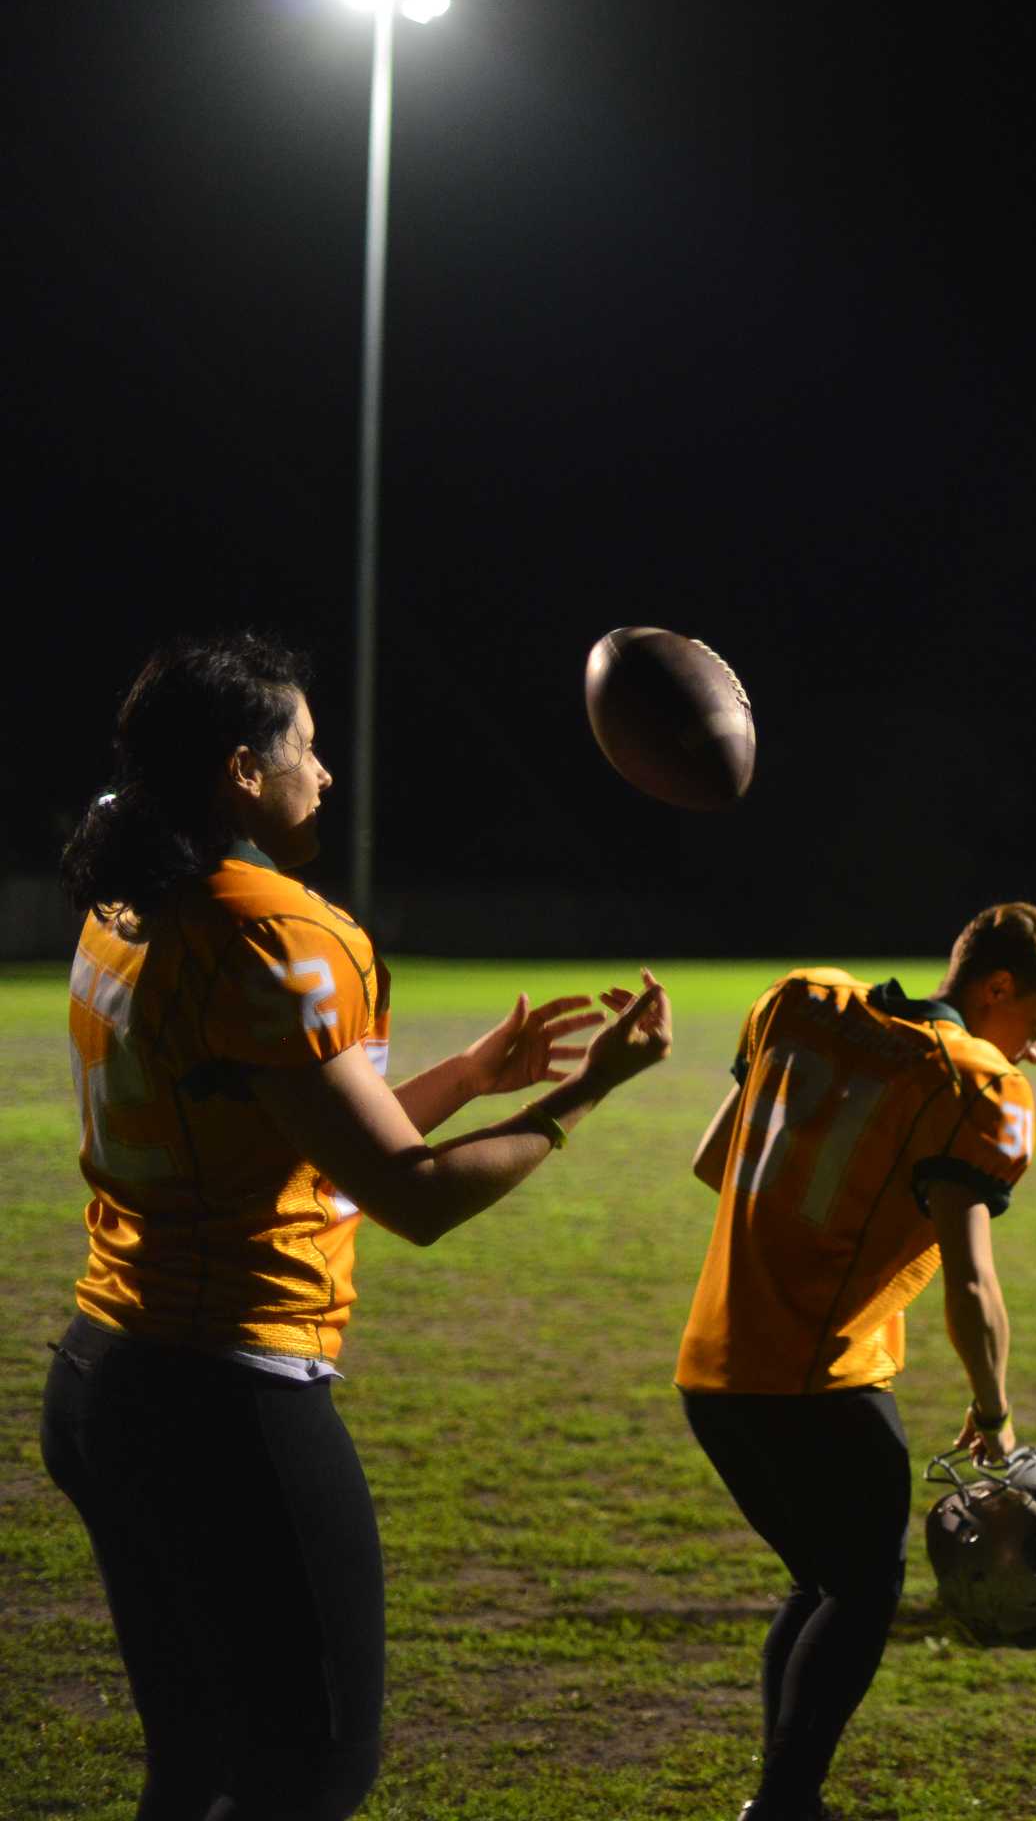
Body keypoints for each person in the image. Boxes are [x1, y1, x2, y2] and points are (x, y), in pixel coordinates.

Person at [43, 633, 672, 1821]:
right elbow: (414, 1196)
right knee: (311, 1765)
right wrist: (584, 1095)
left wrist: (472, 1076)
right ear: (242, 768)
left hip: (102, 1371)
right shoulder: (273, 931)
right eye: (308, 749)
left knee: (196, 1762)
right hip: (222, 1387)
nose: (325, 774)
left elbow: (285, 1126)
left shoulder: (130, 900)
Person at [676, 901, 1036, 1821]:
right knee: (864, 1594)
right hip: (821, 1374)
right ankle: (786, 1805)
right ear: (997, 990)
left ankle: (786, 1800)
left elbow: (716, 1159)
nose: (1032, 1052)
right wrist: (995, 1418)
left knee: (822, 1581)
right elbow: (973, 1284)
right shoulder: (971, 1084)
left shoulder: (800, 1001)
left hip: (711, 1366)